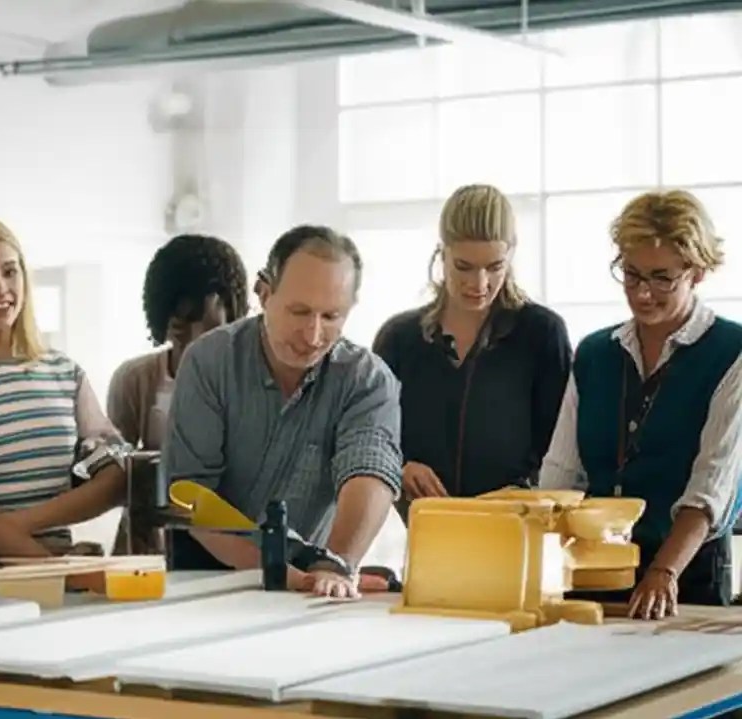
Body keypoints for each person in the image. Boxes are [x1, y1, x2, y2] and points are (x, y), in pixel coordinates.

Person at [161, 224, 403, 598]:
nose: (312, 335)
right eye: (299, 311)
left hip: (316, 581)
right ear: (264, 293)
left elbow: (369, 472)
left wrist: (336, 564)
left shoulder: (367, 380)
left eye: (331, 316)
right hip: (206, 581)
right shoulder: (209, 362)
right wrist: (277, 572)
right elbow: (191, 496)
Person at [541, 190, 742, 619]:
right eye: (631, 275)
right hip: (589, 575)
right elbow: (560, 476)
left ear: (698, 272)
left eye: (661, 277)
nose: (643, 293)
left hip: (685, 577)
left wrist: (663, 572)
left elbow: (711, 486)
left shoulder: (732, 352)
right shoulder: (594, 353)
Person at [0, 215, 126, 567]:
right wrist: (58, 569)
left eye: (10, 271)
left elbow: (118, 476)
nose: (0, 287)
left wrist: (26, 525)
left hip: (59, 581)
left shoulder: (64, 372)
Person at [373, 184, 571, 509]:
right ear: (442, 253)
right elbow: (372, 439)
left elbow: (561, 451)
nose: (479, 284)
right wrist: (400, 467)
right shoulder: (399, 338)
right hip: (427, 527)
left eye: (495, 267)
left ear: (511, 255)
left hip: (516, 528)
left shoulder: (542, 334)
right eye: (463, 266)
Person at [106, 234, 250, 554]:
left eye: (207, 323)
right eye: (183, 323)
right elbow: (114, 473)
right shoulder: (135, 379)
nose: (195, 341)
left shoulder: (250, 380)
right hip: (148, 549)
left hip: (227, 546)